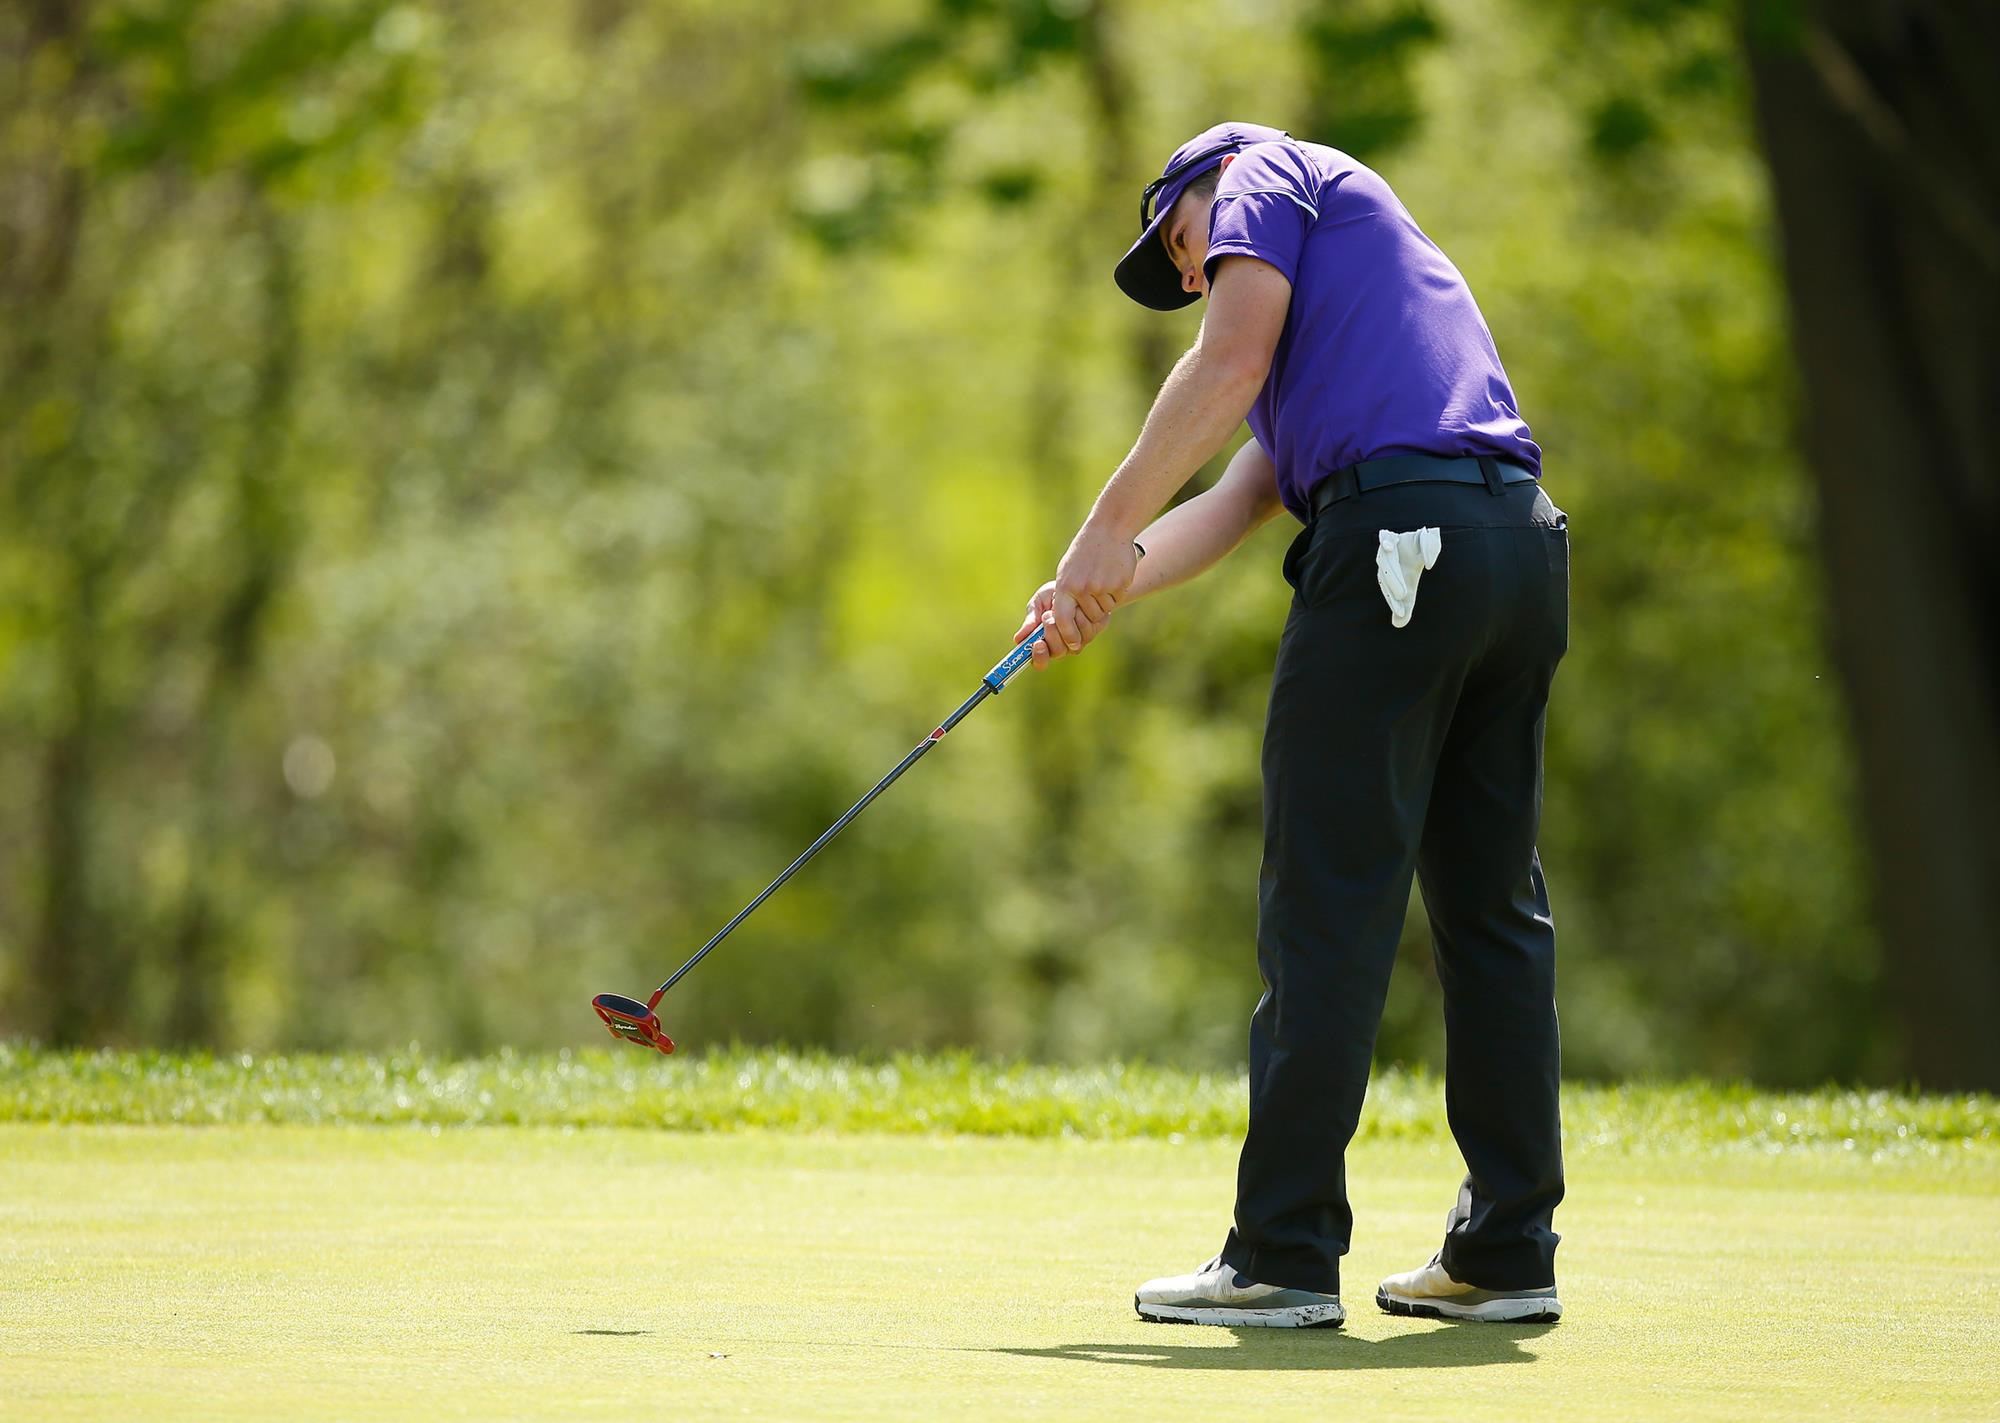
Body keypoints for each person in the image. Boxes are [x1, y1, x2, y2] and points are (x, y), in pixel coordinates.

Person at [1013, 122, 1568, 1329]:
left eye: (1182, 241)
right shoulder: (1346, 341)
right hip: (1510, 548)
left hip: (1392, 553)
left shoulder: (1266, 171)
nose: (1194, 272)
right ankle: (1506, 1251)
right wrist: (1090, 593)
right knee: (1489, 914)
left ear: (1207, 188)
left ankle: (1280, 1253)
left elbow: (1220, 362)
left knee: (1323, 904)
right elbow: (1232, 502)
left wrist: (1100, 525)